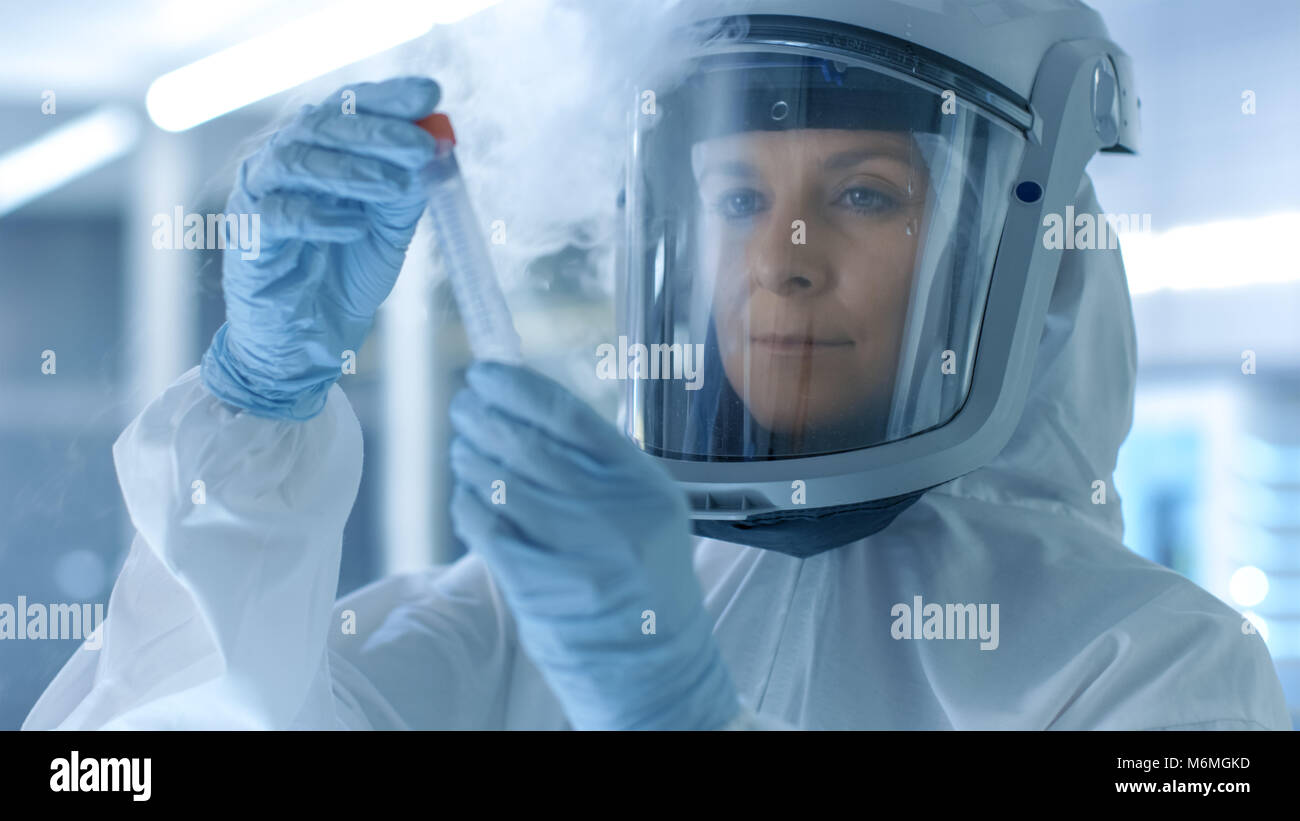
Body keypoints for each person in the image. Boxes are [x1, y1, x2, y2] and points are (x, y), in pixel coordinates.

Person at [25, 1, 1289, 730]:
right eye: (738, 193)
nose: (779, 261)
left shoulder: (1163, 666)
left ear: (1032, 255)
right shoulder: (529, 611)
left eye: (861, 192)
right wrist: (254, 420)